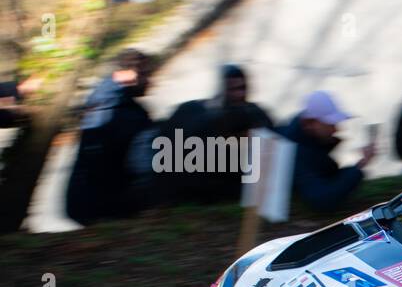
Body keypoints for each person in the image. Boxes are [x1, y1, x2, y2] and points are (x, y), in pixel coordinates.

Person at [156, 64, 274, 203]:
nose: (240, 95)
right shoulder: (195, 118)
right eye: (233, 89)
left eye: (242, 88)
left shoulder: (254, 114)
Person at [65, 49, 156, 226]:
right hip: (114, 208)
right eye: (145, 74)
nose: (150, 81)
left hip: (79, 202)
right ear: (130, 74)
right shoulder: (135, 117)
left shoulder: (95, 103)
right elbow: (143, 166)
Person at [279, 90, 372, 212]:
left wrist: (359, 165)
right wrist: (359, 167)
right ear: (310, 123)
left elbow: (327, 174)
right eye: (330, 124)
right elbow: (323, 201)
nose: (336, 129)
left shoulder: (307, 139)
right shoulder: (295, 153)